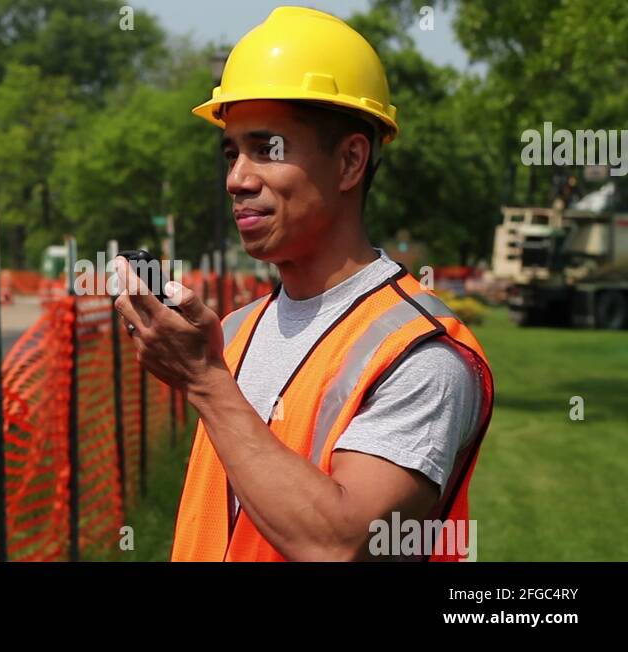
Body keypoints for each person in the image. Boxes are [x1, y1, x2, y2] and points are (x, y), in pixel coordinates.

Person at [114, 6, 494, 561]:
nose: (237, 179)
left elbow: (340, 544)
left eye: (267, 149)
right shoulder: (235, 332)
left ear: (349, 162)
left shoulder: (420, 356)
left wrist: (204, 383)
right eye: (231, 153)